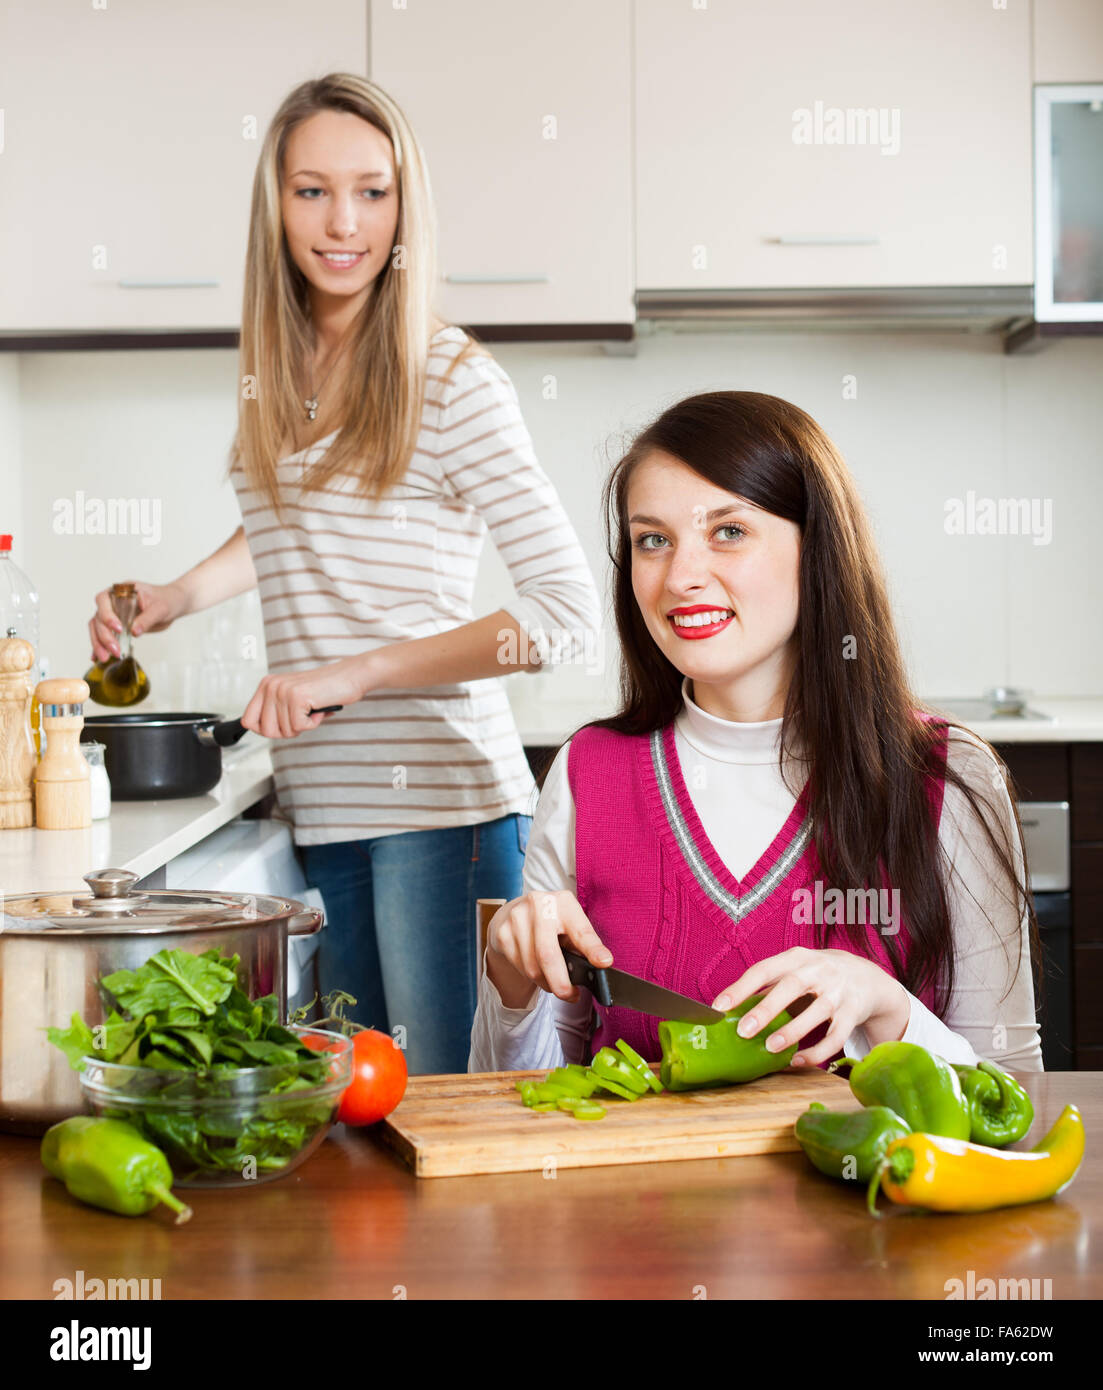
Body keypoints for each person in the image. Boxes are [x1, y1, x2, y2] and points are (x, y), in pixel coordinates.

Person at [87, 73, 601, 1075]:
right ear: (273, 206)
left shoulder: (449, 379)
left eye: (373, 191)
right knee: (364, 1126)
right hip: (324, 802)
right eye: (311, 190)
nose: (343, 222)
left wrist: (352, 673)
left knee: (443, 1113)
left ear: (406, 208)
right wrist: (175, 598)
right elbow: (293, 525)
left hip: (439, 810)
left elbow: (563, 615)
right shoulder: (280, 378)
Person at [469, 391, 1044, 1075]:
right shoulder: (586, 772)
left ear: (816, 548)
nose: (680, 577)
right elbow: (526, 1100)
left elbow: (1013, 1095)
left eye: (728, 531)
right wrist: (509, 985)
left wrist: (888, 1009)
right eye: (652, 540)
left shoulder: (946, 775)